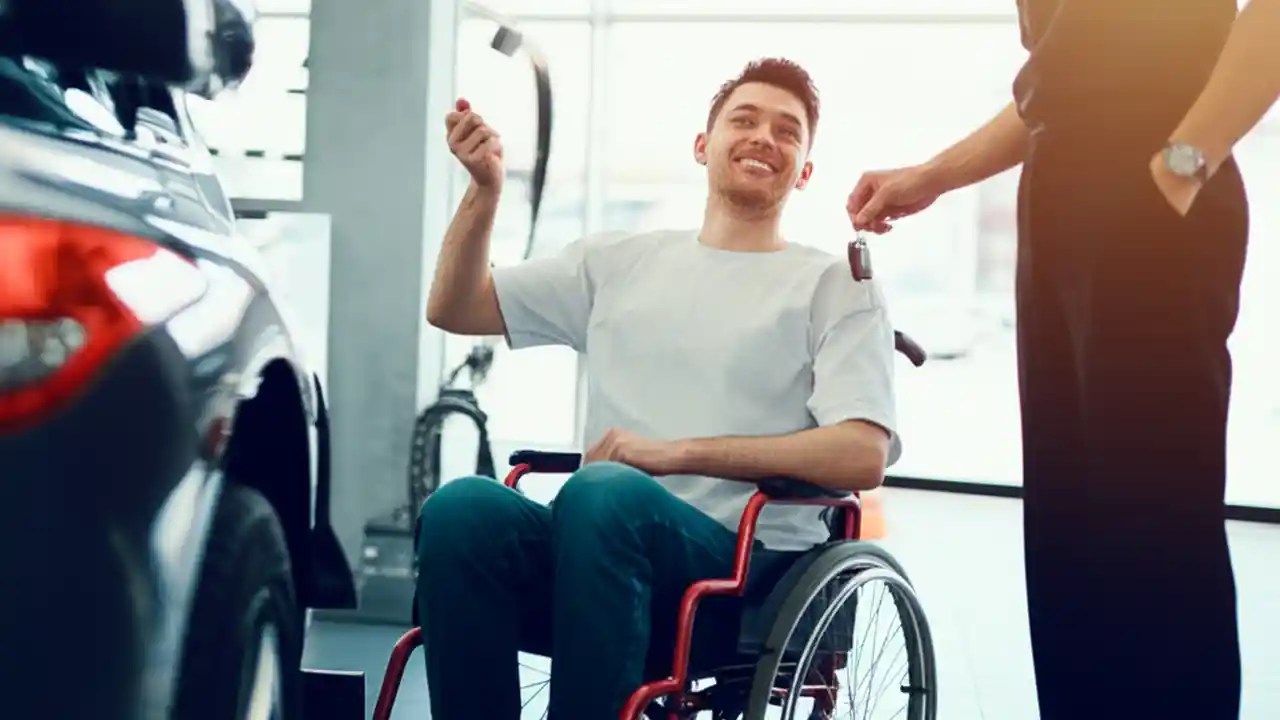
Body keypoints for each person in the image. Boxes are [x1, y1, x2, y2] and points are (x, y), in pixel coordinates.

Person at [418, 58, 901, 719]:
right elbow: (454, 308)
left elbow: (860, 454)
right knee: (463, 510)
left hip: (737, 573)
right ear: (703, 146)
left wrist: (672, 454)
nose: (765, 136)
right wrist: (484, 191)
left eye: (787, 131)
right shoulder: (617, 261)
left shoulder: (836, 285)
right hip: (592, 550)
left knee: (604, 492)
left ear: (805, 170)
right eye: (745, 119)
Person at [846, 1, 1280, 718]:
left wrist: (1180, 168)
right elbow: (1062, 91)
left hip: (1154, 192)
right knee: (1069, 528)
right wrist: (934, 175)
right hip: (1059, 199)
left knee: (1153, 520)